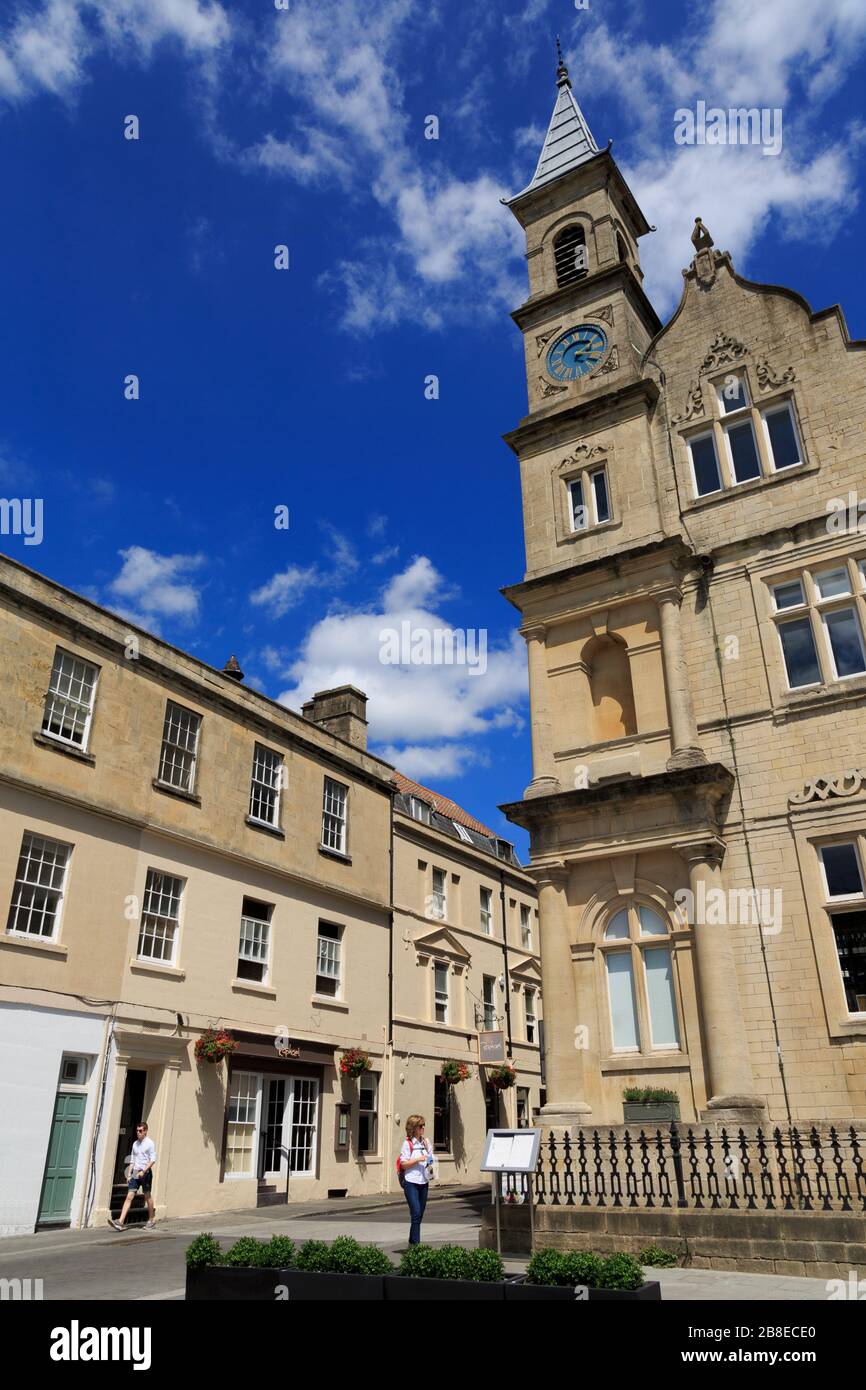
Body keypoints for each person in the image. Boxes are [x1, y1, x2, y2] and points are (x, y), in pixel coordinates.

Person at [109, 1122, 157, 1230]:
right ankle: (120, 1222)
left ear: (145, 1131)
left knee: (147, 1196)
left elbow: (153, 1160)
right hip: (135, 1172)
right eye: (137, 1130)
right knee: (129, 1196)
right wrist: (129, 1175)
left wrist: (144, 1171)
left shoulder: (150, 1143)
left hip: (145, 1173)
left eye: (140, 1131)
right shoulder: (135, 1144)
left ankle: (151, 1220)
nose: (138, 1132)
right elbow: (132, 1160)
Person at [400, 1114, 433, 1246]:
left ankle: (411, 1243)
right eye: (420, 1126)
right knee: (416, 1212)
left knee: (419, 1215)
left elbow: (431, 1159)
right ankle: (416, 1246)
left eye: (423, 1125)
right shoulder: (407, 1144)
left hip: (424, 1182)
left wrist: (429, 1157)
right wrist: (418, 1159)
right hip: (411, 1182)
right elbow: (404, 1164)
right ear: (413, 1128)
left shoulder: (426, 1143)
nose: (423, 1128)